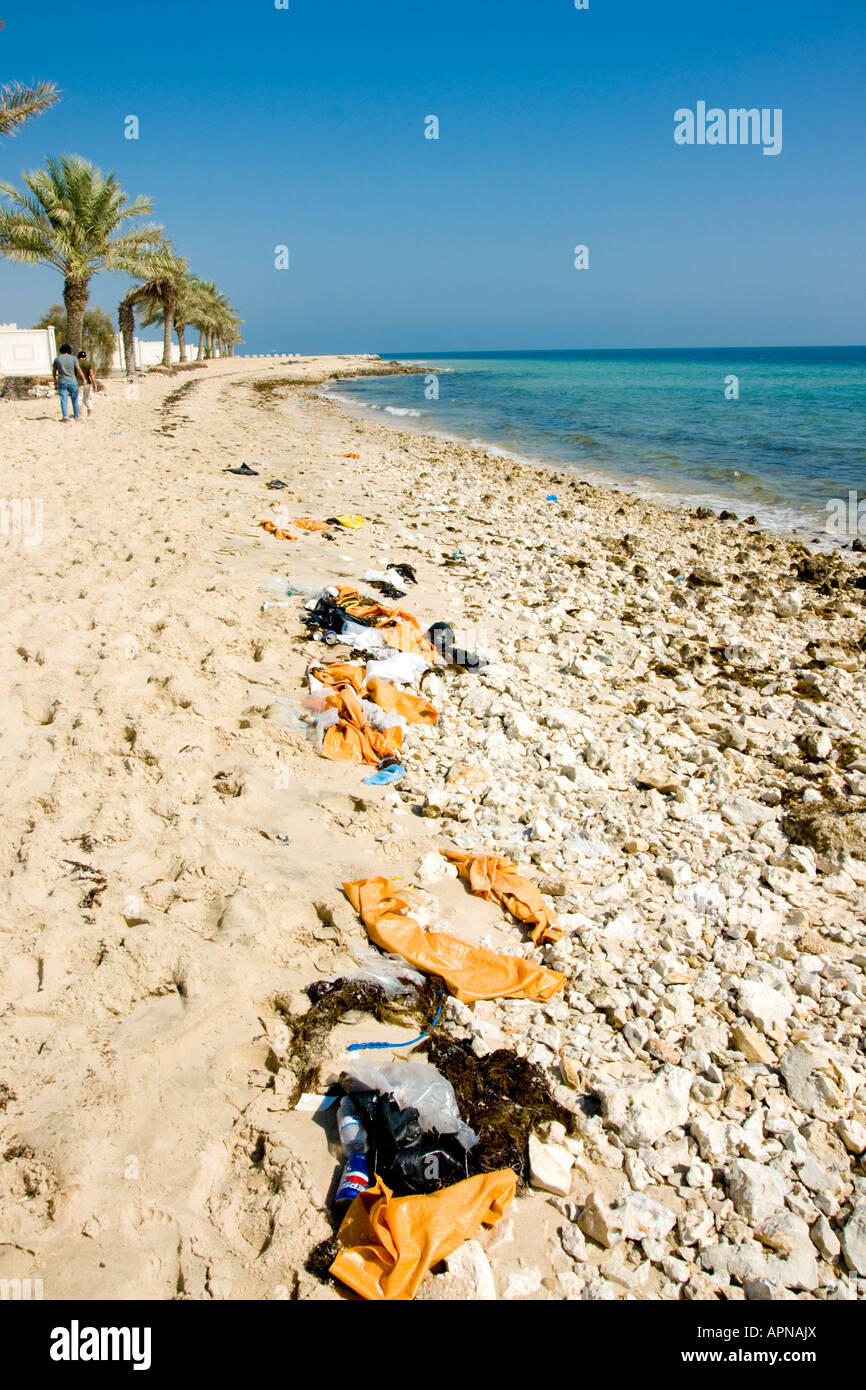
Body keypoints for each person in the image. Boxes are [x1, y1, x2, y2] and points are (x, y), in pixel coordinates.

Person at [51, 342, 85, 422]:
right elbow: (78, 369)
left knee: (64, 399)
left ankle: (65, 417)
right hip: (73, 381)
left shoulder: (57, 359)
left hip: (62, 381)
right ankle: (77, 417)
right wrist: (84, 379)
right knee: (75, 399)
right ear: (69, 350)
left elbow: (54, 371)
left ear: (61, 350)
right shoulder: (73, 358)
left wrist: (55, 380)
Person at [77, 349, 98, 418]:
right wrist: (94, 384)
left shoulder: (76, 363)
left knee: (79, 399)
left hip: (79, 383)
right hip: (88, 384)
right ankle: (89, 415)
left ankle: (80, 415)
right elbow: (91, 375)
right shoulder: (88, 363)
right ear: (85, 357)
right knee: (88, 399)